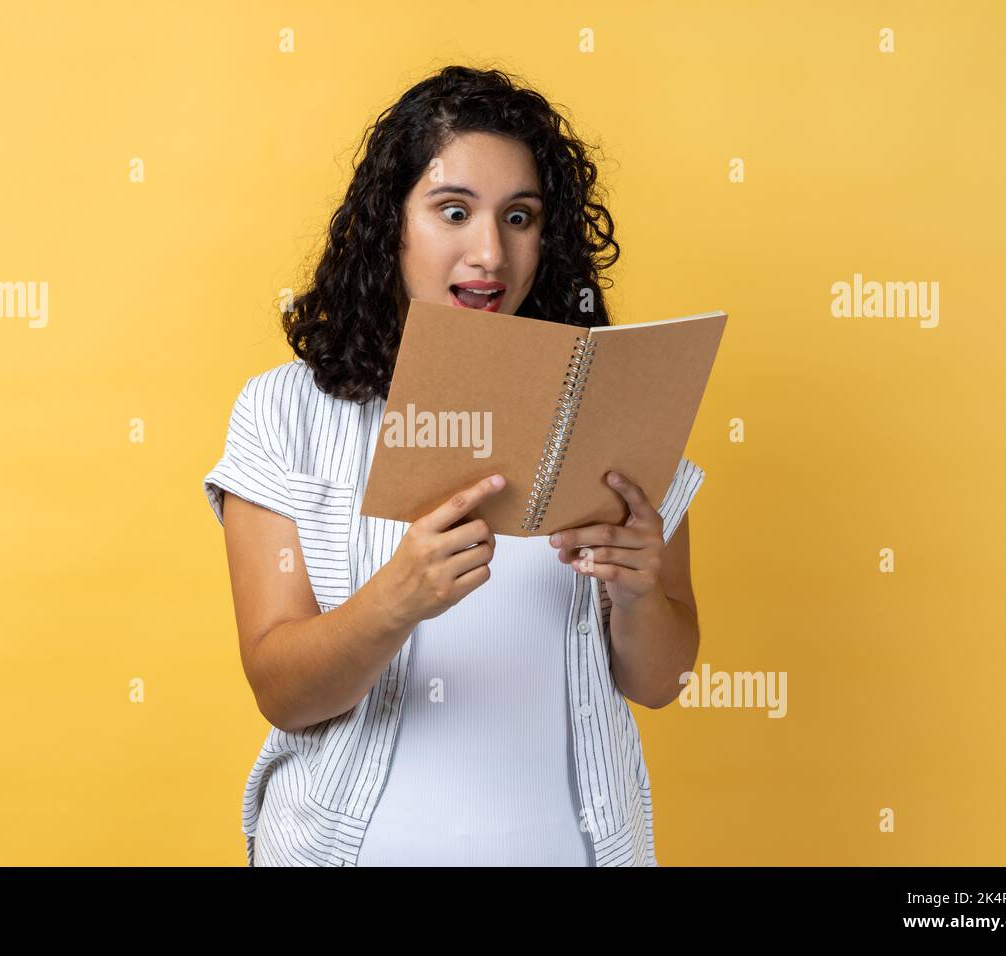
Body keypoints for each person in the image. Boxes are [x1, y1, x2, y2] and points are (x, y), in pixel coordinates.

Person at [203, 65, 705, 866]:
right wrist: (395, 602)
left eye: (520, 216)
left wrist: (640, 592)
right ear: (390, 225)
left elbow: (662, 681)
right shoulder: (285, 413)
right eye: (453, 210)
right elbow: (282, 691)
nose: (489, 252)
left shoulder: (614, 406)